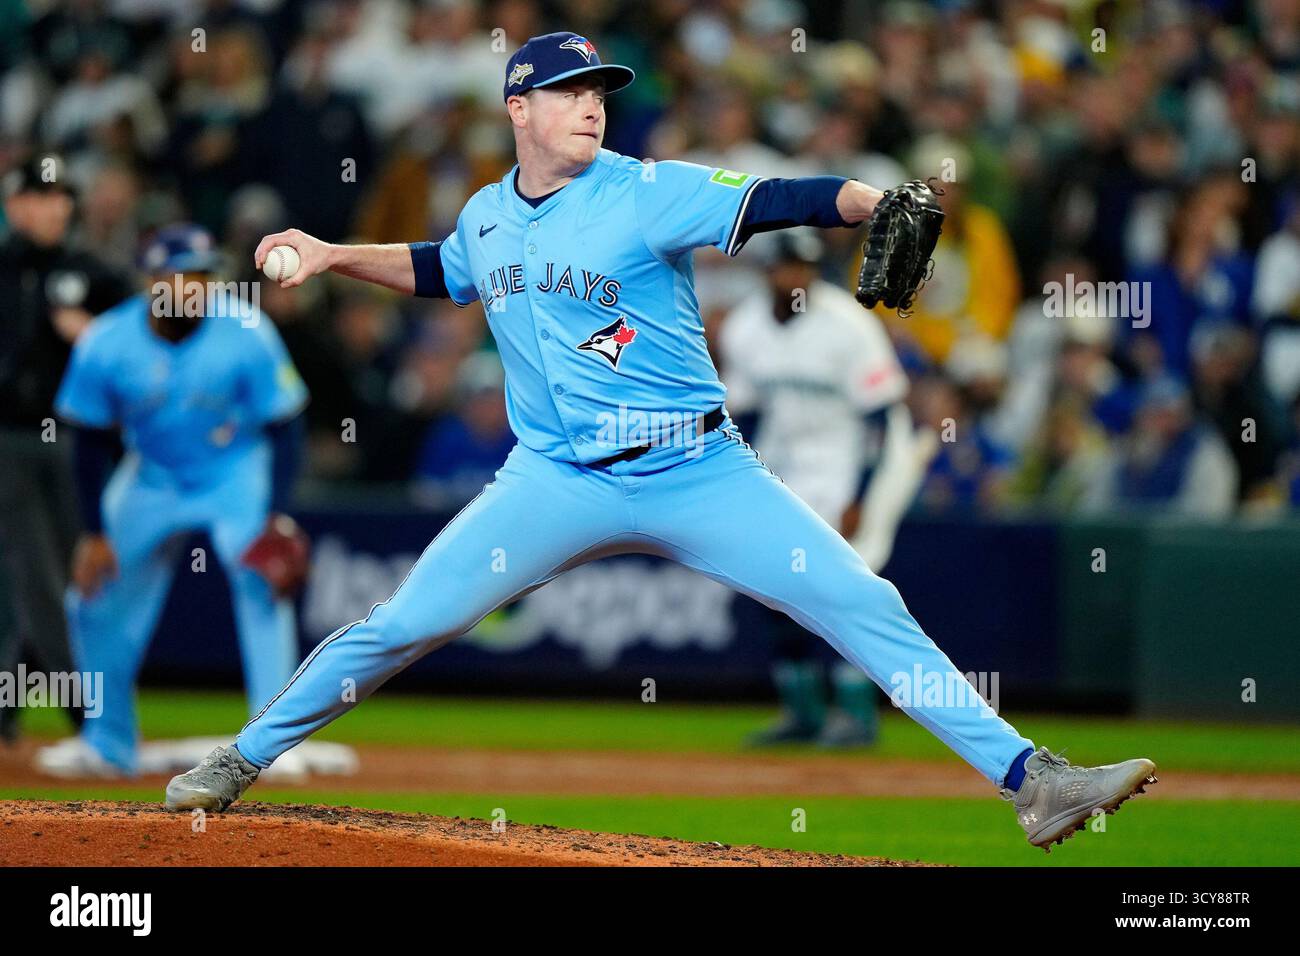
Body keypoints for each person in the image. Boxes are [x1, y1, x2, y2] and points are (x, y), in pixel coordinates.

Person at [167, 32, 1156, 851]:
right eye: (567, 91)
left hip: (696, 465)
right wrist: (334, 253)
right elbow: (442, 267)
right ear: (519, 109)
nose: (591, 104)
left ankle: (1034, 779)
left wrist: (863, 201)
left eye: (599, 90)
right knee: (400, 621)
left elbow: (774, 200)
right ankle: (241, 756)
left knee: (862, 599)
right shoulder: (485, 214)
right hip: (551, 479)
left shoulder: (645, 189)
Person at [37, 224, 310, 778]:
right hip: (152, 476)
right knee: (90, 595)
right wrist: (94, 531)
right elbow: (88, 441)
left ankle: (275, 742)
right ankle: (108, 743)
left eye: (203, 275)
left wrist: (276, 516)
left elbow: (286, 426)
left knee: (261, 579)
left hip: (233, 471)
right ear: (152, 281)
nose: (194, 287)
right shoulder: (108, 341)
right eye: (182, 274)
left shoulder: (247, 328)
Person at [719, 229, 933, 748]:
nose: (797, 278)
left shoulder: (847, 326)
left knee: (846, 587)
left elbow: (881, 420)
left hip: (859, 462)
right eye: (788, 267)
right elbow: (741, 411)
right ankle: (803, 712)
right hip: (789, 461)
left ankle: (857, 714)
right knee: (776, 586)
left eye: (806, 269)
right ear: (768, 272)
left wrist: (860, 495)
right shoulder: (746, 328)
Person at [0, 154, 131, 744]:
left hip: (81, 443)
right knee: (36, 573)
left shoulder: (96, 276)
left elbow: (145, 349)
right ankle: (91, 715)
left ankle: (7, 699)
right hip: (10, 439)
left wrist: (96, 337)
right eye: (41, 198)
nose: (55, 208)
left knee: (77, 576)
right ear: (15, 205)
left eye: (61, 198)